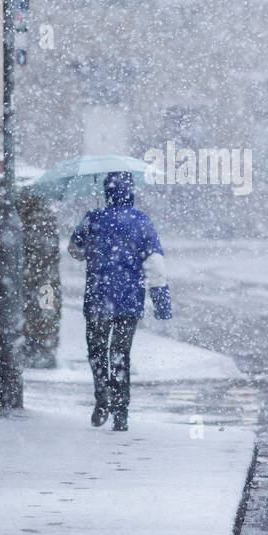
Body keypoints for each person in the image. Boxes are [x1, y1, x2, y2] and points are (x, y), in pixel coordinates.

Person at [68, 172, 171, 431]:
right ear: (131, 192)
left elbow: (74, 249)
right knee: (120, 354)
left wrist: (90, 251)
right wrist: (161, 303)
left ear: (107, 192)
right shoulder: (142, 222)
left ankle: (102, 396)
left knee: (97, 351)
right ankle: (121, 411)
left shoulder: (93, 218)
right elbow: (155, 265)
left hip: (98, 299)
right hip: (129, 301)